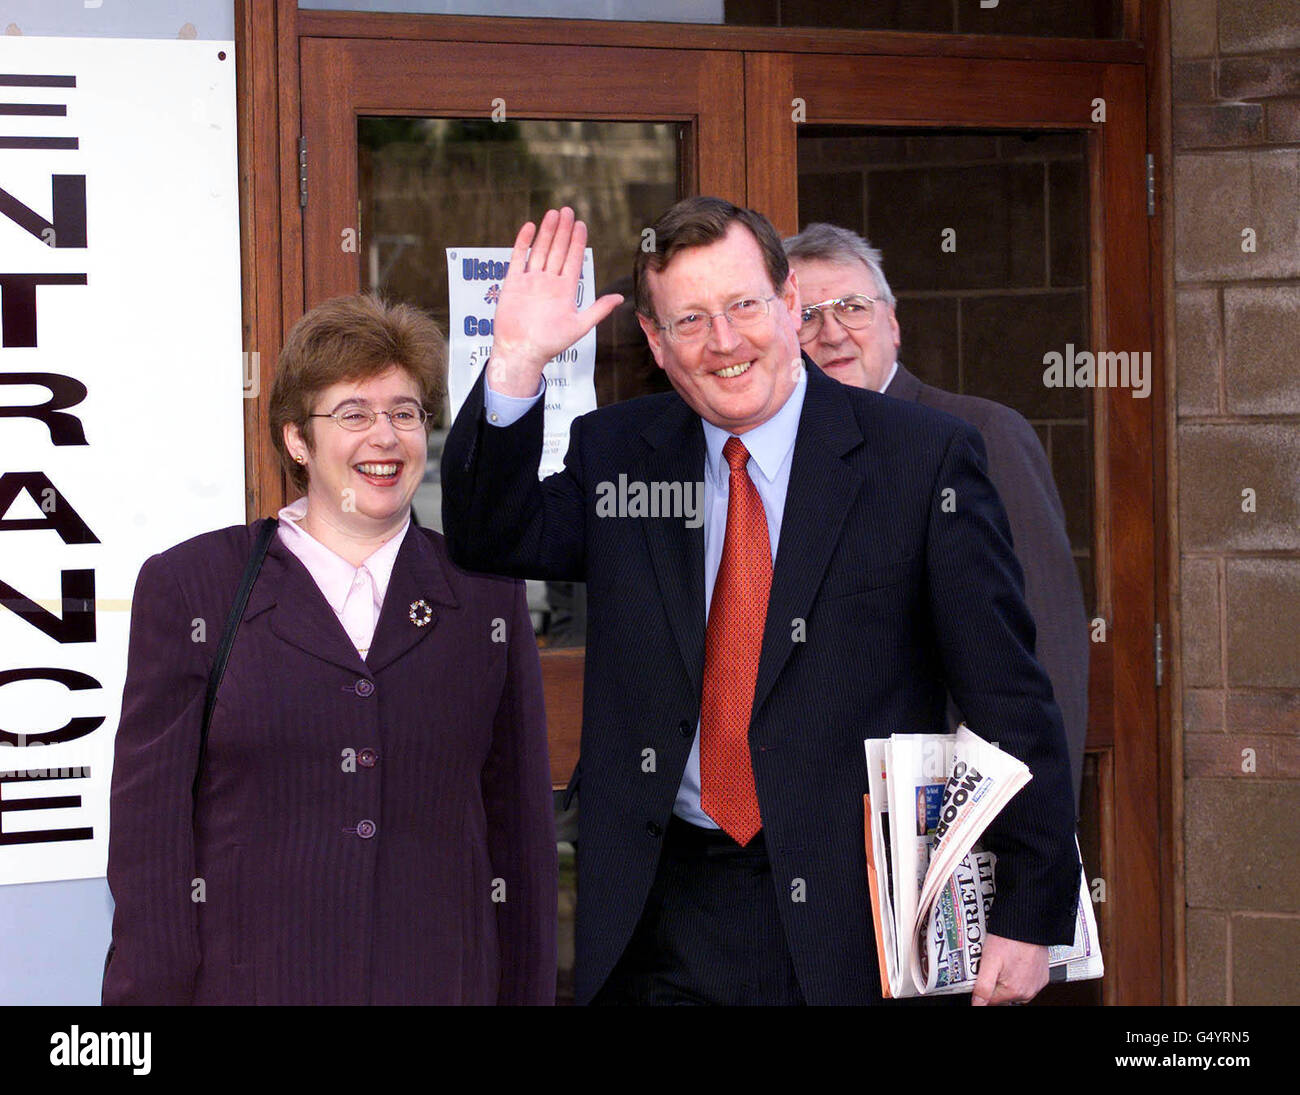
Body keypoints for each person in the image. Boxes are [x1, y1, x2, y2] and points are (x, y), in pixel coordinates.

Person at [441, 200, 1079, 1006]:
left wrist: (1029, 912)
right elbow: (490, 536)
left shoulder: (919, 460)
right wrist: (515, 363)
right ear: (656, 342)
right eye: (692, 319)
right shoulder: (622, 451)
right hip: (663, 908)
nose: (725, 340)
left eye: (744, 305)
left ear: (787, 304)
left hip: (857, 918)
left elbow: (1009, 698)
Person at [103, 293, 556, 1005]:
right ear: (296, 439)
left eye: (404, 412)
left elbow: (521, 841)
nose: (385, 436)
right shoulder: (194, 588)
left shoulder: (483, 596)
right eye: (353, 413)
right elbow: (149, 849)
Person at [784, 222, 1090, 808]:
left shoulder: (981, 435)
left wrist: (1035, 830)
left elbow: (1044, 654)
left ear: (892, 324)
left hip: (950, 813)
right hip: (820, 820)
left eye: (852, 306)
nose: (832, 333)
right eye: (807, 316)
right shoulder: (781, 458)